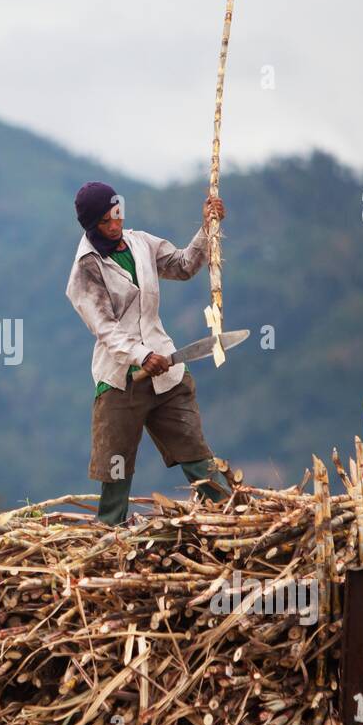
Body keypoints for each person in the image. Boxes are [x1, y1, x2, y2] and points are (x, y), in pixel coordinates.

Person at [65, 181, 228, 525]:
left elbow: (184, 265)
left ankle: (231, 515)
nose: (115, 225)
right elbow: (105, 327)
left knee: (196, 455)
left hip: (167, 372)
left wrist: (206, 228)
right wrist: (141, 356)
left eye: (117, 215)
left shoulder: (141, 243)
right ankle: (109, 535)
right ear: (92, 226)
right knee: (116, 468)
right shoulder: (86, 268)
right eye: (106, 222)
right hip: (121, 380)